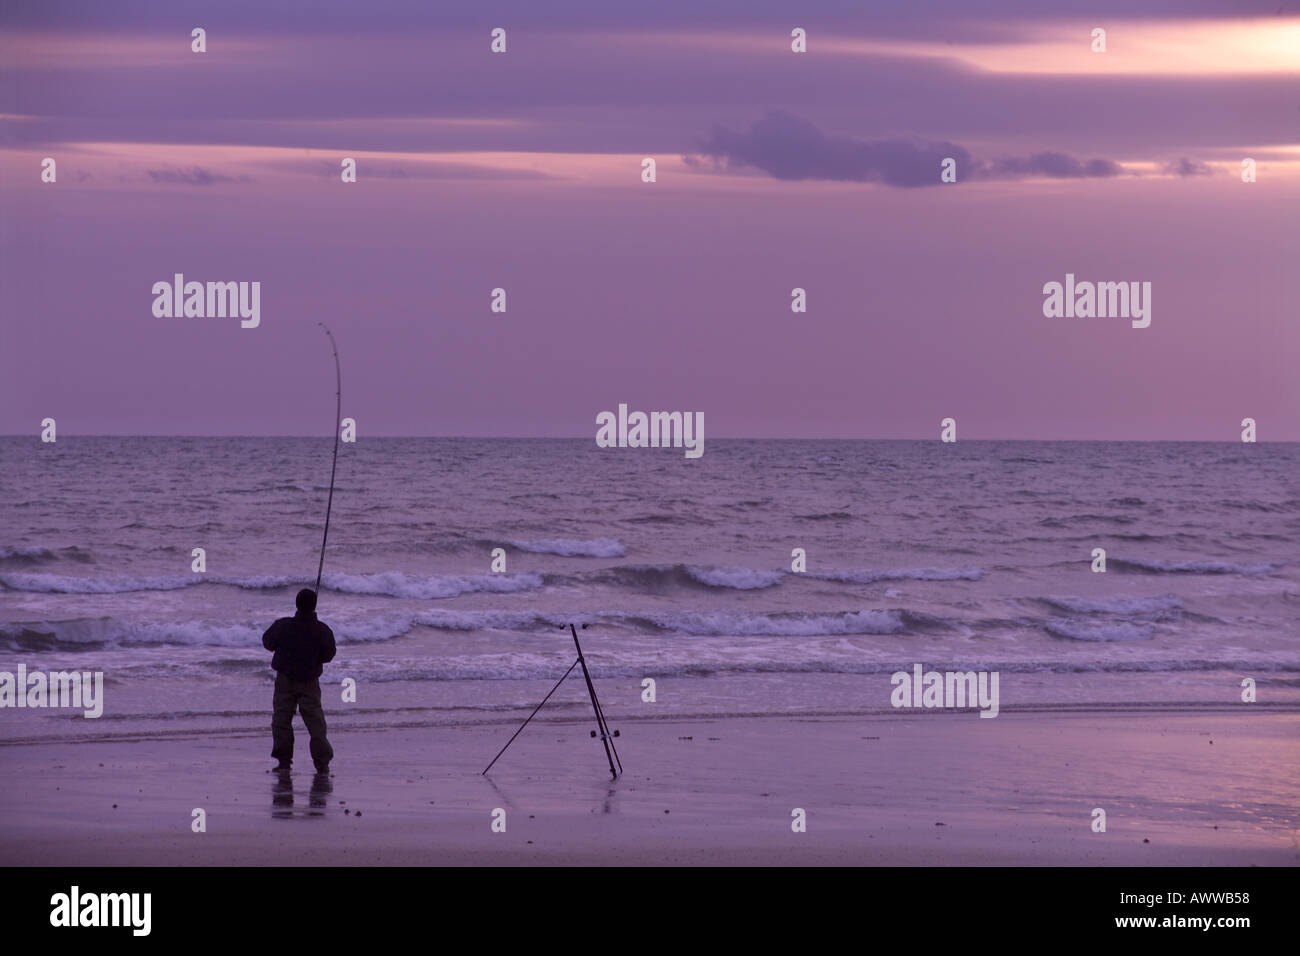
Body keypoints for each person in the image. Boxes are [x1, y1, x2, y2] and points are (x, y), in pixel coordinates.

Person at [262, 588, 336, 773]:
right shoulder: (322, 630)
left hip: (285, 680)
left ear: (297, 605)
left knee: (281, 720)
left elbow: (267, 642)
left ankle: (284, 762)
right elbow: (329, 654)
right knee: (315, 722)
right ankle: (322, 763)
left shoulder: (283, 625)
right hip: (310, 681)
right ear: (314, 606)